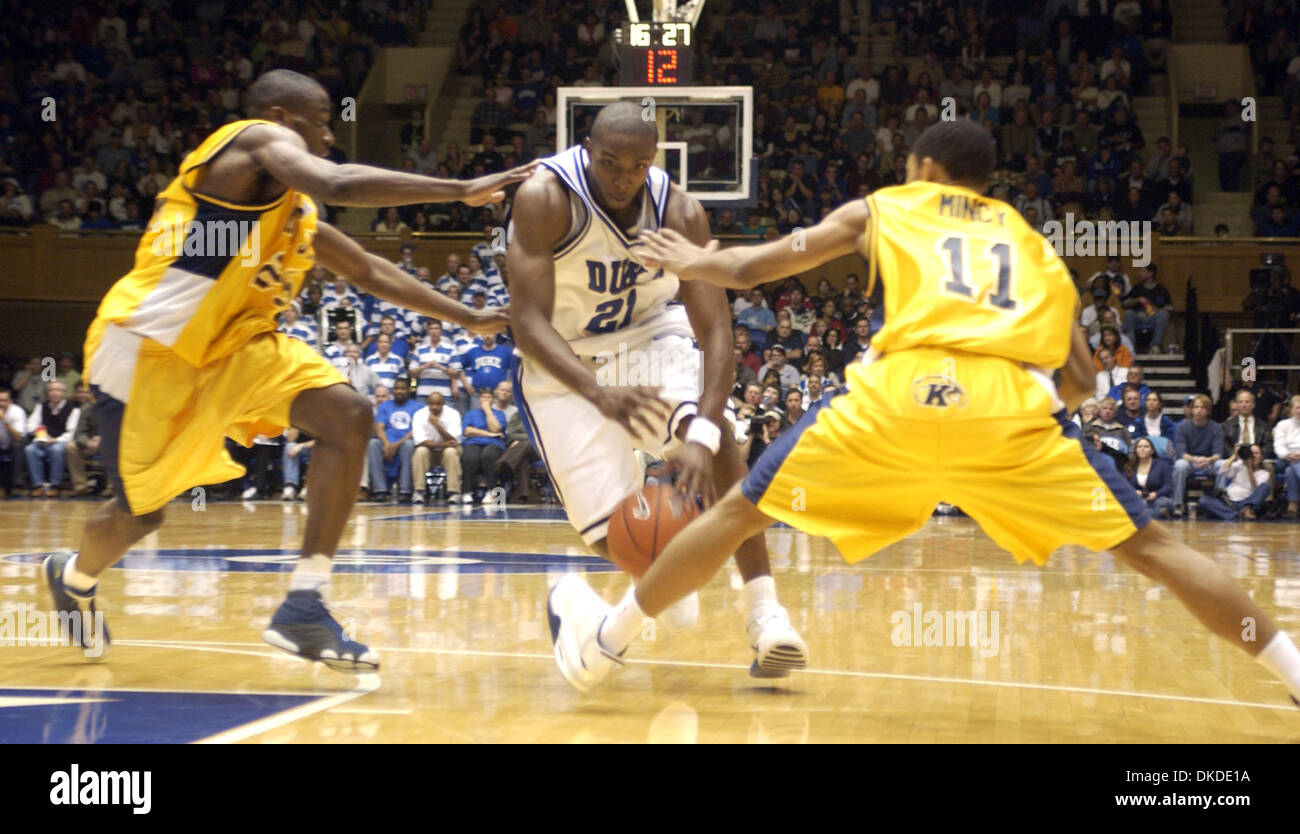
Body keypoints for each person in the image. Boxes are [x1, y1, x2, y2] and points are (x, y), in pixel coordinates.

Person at [545, 118, 1300, 709]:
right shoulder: (1032, 244)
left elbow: (750, 266)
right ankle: (1291, 669)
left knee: (738, 513)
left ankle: (606, 642)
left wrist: (685, 259)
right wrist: (1019, 421)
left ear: (927, 170)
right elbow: (1078, 379)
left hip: (897, 399)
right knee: (1157, 550)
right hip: (1008, 414)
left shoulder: (889, 207)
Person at [45, 69, 531, 669]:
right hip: (150, 352)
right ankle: (74, 576)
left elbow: (370, 272)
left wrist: (469, 316)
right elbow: (336, 180)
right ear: (279, 119)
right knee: (139, 515)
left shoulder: (293, 215)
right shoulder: (245, 141)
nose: (329, 137)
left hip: (239, 350)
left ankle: (304, 604)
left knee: (348, 413)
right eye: (321, 122)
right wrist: (458, 190)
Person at [509, 100, 806, 678]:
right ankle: (655, 573)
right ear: (588, 151)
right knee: (614, 535)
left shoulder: (679, 211)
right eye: (611, 164)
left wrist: (698, 433)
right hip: (563, 359)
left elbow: (718, 332)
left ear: (655, 161)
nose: (624, 179)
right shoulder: (546, 197)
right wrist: (598, 393)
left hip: (647, 337)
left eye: (638, 166)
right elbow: (527, 323)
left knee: (718, 433)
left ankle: (766, 614)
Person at [366, 377, 421, 501]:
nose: (399, 391)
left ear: (408, 390)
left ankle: (405, 490)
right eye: (396, 388)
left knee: (408, 445)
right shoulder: (384, 406)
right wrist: (386, 444)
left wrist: (396, 445)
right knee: (373, 443)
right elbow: (380, 428)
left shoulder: (417, 406)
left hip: (405, 441)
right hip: (387, 442)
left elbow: (416, 430)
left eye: (402, 389)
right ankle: (379, 490)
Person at [1171, 394, 1225, 517]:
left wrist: (1207, 459)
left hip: (1209, 462)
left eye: (1203, 407)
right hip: (1190, 462)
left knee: (1222, 465)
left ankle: (1219, 502)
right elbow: (1182, 453)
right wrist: (1195, 459)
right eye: (1196, 407)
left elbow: (1218, 453)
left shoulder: (1216, 427)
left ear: (1208, 411)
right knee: (1180, 465)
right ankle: (1178, 504)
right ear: (1192, 409)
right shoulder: (1181, 427)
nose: (1199, 410)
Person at [25, 380, 79, 498]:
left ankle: (55, 486)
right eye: (51, 390)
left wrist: (54, 440)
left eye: (57, 390)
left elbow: (71, 432)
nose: (54, 393)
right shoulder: (41, 407)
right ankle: (38, 486)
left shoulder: (73, 409)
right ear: (47, 393)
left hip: (60, 442)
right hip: (42, 440)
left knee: (56, 450)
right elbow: (30, 425)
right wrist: (42, 436)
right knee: (30, 449)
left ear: (63, 393)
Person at [411, 391, 462, 503]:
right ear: (427, 403)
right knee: (420, 451)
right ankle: (419, 491)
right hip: (429, 452)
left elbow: (453, 442)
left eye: (438, 404)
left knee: (450, 452)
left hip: (447, 452)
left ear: (443, 403)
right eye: (431, 404)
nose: (434, 407)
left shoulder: (453, 414)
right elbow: (420, 442)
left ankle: (454, 492)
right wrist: (443, 444)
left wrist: (437, 425)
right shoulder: (419, 415)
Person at [1197, 444, 1272, 521]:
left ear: (1261, 456)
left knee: (1266, 486)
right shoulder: (1239, 465)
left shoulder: (1264, 473)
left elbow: (1255, 490)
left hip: (1247, 502)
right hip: (1229, 501)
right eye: (1251, 453)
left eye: (1256, 453)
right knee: (1203, 500)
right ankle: (1237, 515)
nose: (1253, 456)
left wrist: (1249, 468)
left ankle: (1236, 512)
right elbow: (1223, 472)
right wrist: (1234, 455)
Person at [459, 389, 507, 503]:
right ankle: (467, 491)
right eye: (483, 397)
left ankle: (491, 491)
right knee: (470, 456)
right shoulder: (471, 414)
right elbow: (467, 431)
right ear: (479, 400)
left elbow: (496, 428)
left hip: (494, 444)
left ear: (493, 400)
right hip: (473, 442)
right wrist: (490, 434)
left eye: (488, 397)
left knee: (488, 455)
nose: (485, 399)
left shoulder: (499, 414)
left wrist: (487, 411)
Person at [1126, 437, 1174, 519]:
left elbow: (1168, 485)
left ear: (1152, 451)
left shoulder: (1162, 465)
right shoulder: (1130, 466)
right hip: (1138, 499)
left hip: (1158, 498)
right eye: (1139, 447)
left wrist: (1156, 494)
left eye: (1146, 446)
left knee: (1164, 503)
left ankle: (1144, 515)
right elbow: (1124, 484)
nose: (1142, 449)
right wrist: (1134, 491)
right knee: (1138, 503)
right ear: (1136, 450)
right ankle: (1156, 514)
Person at [1273, 394, 1300, 518]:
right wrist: (1287, 455)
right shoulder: (1283, 425)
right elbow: (1278, 445)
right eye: (1297, 407)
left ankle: (1293, 505)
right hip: (1284, 458)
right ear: (1291, 409)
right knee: (1293, 464)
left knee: (1291, 470)